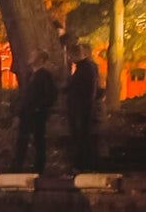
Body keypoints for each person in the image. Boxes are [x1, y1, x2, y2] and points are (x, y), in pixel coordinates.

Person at [13, 60, 58, 173]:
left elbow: (50, 94)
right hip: (27, 113)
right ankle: (17, 165)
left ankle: (38, 167)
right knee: (23, 139)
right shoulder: (31, 75)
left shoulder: (44, 75)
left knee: (38, 140)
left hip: (37, 113)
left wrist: (40, 107)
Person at [65, 39, 100, 171]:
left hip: (81, 110)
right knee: (82, 137)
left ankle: (83, 165)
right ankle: (83, 164)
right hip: (81, 108)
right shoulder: (85, 67)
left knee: (82, 137)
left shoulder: (86, 68)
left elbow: (87, 89)